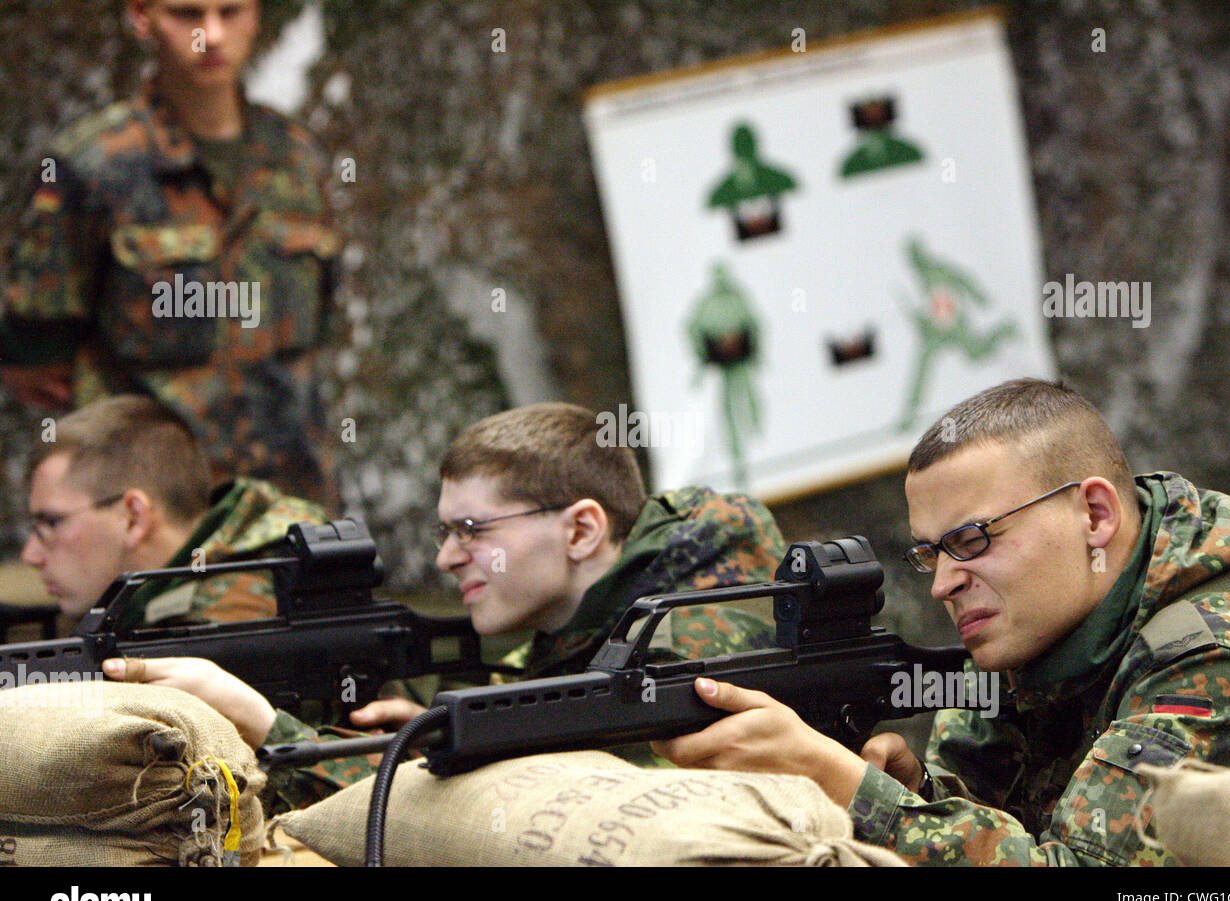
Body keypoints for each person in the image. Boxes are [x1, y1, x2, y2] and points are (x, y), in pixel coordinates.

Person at [653, 378, 1230, 866]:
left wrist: (851, 790)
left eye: (972, 538)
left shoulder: (1221, 659)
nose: (941, 584)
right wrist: (914, 793)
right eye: (930, 552)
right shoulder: (1033, 635)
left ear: (1096, 516)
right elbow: (1004, 824)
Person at [106, 403, 789, 813]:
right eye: (446, 532)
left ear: (581, 530)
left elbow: (516, 814)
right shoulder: (579, 635)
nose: (446, 559)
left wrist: (262, 721)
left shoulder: (691, 646)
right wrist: (442, 733)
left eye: (474, 530)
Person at [0, 0, 340, 504]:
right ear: (142, 17)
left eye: (231, 12)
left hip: (290, 504)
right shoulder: (90, 165)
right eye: (187, 14)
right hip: (152, 510)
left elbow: (321, 321)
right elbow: (34, 348)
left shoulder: (298, 158)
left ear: (257, 15)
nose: (212, 35)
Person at [22, 395, 327, 630]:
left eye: (51, 523)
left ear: (133, 518)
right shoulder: (143, 605)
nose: (31, 555)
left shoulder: (229, 616)